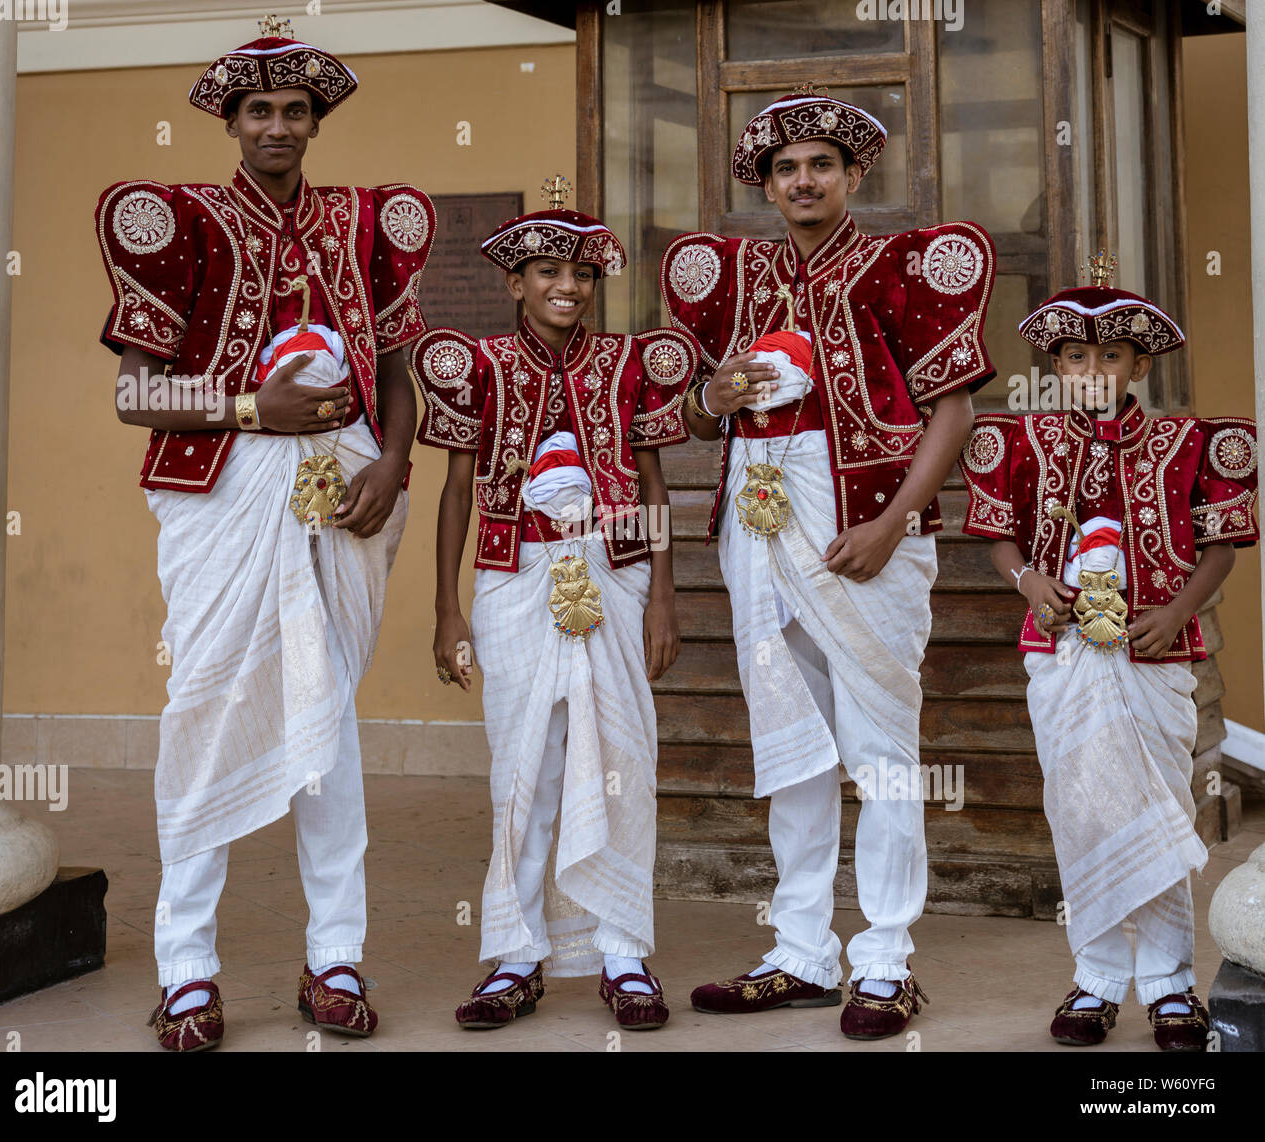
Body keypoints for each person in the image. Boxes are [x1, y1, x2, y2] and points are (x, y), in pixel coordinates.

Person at [94, 19, 434, 1050]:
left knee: (325, 728)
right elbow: (133, 394)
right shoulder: (181, 220)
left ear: (315, 122)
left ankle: (334, 954)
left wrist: (393, 461)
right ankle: (185, 967)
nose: (277, 125)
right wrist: (252, 410)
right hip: (221, 490)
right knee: (203, 713)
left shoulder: (370, 220)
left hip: (350, 490)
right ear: (232, 124)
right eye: (259, 110)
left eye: (295, 110)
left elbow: (397, 372)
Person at [661, 87, 997, 1039]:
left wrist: (895, 520)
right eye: (783, 168)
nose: (801, 180)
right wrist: (710, 400)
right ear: (765, 186)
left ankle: (885, 958)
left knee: (884, 752)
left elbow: (955, 411)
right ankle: (801, 951)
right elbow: (689, 412)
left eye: (819, 165)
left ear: (854, 176)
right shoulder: (730, 277)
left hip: (865, 537)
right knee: (793, 747)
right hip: (757, 537)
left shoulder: (901, 268)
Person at [411, 181, 697, 1030]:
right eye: (545, 271)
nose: (565, 286)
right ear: (515, 282)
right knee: (522, 769)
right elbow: (457, 490)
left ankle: (622, 950)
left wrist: (665, 597)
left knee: (620, 760)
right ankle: (516, 953)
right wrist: (447, 608)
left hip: (616, 569)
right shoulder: (482, 368)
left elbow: (650, 481)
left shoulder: (630, 364)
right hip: (512, 576)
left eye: (579, 272)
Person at [959, 255, 1258, 1051]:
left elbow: (1221, 548)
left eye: (1111, 356)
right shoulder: (1017, 439)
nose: (1093, 370)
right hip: (1060, 658)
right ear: (1056, 366)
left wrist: (1177, 612)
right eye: (1077, 357)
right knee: (1084, 812)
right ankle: (1093, 979)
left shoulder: (1190, 443)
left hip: (1156, 659)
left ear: (1140, 364)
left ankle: (1167, 987)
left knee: (1160, 811)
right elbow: (1000, 539)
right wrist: (1027, 582)